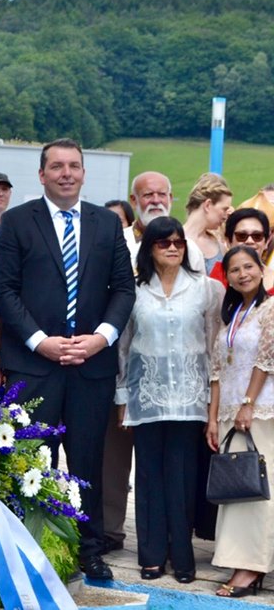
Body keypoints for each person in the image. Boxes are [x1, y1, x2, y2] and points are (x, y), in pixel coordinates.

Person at [0, 137, 136, 579]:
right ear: (42, 174)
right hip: (35, 364)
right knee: (32, 459)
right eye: (57, 166)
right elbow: (3, 288)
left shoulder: (105, 225)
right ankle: (30, 547)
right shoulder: (16, 221)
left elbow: (123, 289)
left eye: (74, 165)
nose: (67, 173)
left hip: (91, 365)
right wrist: (39, 340)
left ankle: (90, 550)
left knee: (87, 461)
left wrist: (101, 339)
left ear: (84, 173)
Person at [115, 217, 222, 583]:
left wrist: (213, 403)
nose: (173, 247)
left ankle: (183, 557)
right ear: (150, 248)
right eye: (164, 243)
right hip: (147, 396)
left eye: (178, 242)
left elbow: (214, 347)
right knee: (148, 477)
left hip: (191, 398)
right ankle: (151, 556)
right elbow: (124, 348)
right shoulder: (134, 291)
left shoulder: (206, 289)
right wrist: (122, 397)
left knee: (182, 479)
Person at [207, 245, 274, 597]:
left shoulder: (270, 309)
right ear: (228, 278)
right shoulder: (232, 313)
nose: (243, 274)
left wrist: (248, 403)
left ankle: (251, 569)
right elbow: (217, 369)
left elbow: (266, 360)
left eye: (249, 267)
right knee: (237, 489)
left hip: (260, 412)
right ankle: (239, 560)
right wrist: (214, 417)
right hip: (230, 413)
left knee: (258, 490)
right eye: (235, 270)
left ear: (261, 269)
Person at [210, 208, 274, 291]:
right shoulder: (216, 278)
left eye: (257, 236)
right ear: (228, 241)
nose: (249, 241)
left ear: (266, 242)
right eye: (241, 236)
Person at [184, 173, 233, 274]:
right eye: (224, 209)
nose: (225, 216)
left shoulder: (221, 248)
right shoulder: (173, 243)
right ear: (208, 205)